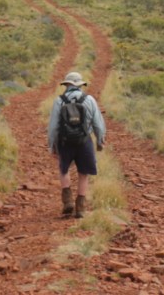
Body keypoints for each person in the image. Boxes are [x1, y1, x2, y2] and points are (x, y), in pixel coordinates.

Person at [47, 71, 107, 218]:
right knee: (83, 173)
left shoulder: (59, 101)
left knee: (64, 169)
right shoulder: (90, 99)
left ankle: (67, 201)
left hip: (64, 141)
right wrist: (100, 140)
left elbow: (53, 126)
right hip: (84, 141)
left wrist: (52, 145)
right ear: (80, 85)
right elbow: (98, 123)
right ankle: (80, 208)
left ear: (66, 85)